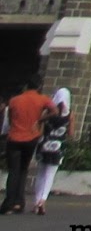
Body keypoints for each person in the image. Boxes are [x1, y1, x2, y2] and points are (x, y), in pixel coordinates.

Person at [3, 78, 54, 215]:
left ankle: (9, 203)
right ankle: (19, 202)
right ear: (38, 87)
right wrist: (40, 119)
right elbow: (54, 111)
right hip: (31, 137)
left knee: (13, 170)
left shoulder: (15, 100)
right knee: (23, 169)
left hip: (14, 138)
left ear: (26, 86)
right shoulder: (42, 99)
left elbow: (10, 118)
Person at [32, 93, 72, 215]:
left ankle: (36, 201)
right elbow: (70, 133)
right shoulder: (70, 114)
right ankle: (43, 200)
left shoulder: (48, 113)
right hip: (58, 148)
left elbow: (40, 129)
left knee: (40, 173)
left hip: (44, 145)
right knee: (50, 175)